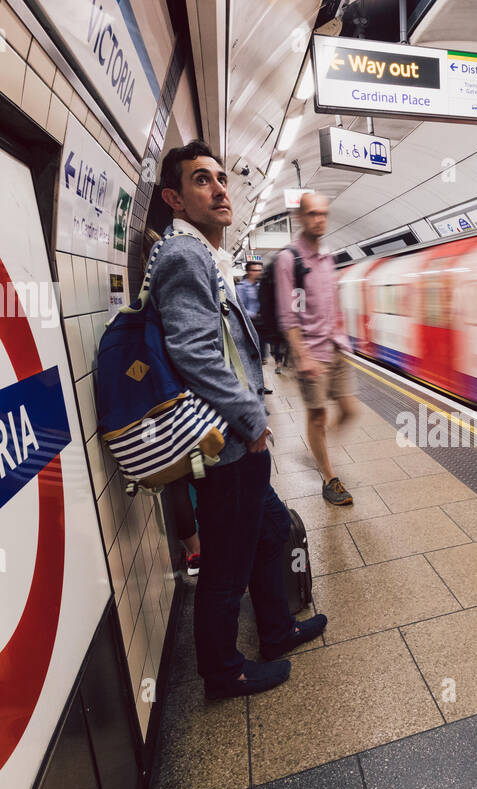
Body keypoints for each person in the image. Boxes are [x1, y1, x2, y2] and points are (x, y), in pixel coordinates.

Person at [152, 140, 326, 699]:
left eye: (221, 178)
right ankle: (223, 673)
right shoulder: (184, 257)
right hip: (225, 443)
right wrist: (253, 419)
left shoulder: (202, 253)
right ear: (174, 199)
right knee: (226, 567)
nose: (220, 188)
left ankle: (275, 631)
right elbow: (196, 354)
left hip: (234, 440)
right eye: (202, 180)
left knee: (270, 531)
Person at [274, 191, 359, 506]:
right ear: (300, 217)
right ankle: (328, 477)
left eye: (324, 214)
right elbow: (289, 314)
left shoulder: (328, 258)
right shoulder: (290, 260)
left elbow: (331, 303)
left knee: (350, 410)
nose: (319, 219)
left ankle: (319, 449)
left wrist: (342, 334)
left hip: (335, 347)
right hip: (311, 353)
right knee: (318, 416)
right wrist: (302, 355)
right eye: (312, 214)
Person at [236, 261, 279, 386]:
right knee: (251, 357)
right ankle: (252, 384)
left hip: (260, 327)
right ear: (248, 271)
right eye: (255, 270)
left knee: (260, 358)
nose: (258, 273)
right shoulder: (241, 287)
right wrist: (255, 315)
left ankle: (259, 384)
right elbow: (241, 308)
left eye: (260, 270)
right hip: (249, 326)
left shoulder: (261, 286)